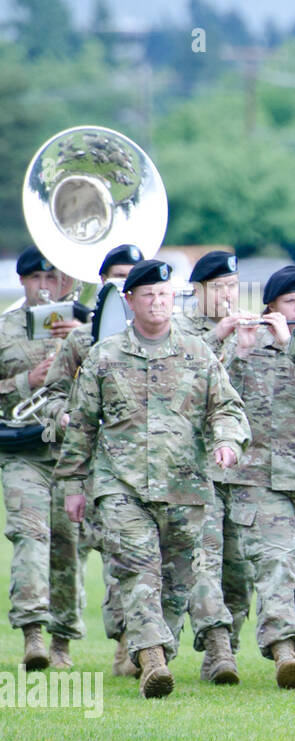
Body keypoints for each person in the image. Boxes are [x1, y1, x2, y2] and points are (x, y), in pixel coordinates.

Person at [55, 259, 249, 698]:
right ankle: (153, 662)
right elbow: (82, 424)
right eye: (148, 296)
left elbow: (228, 409)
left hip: (185, 487)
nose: (158, 303)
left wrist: (227, 443)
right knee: (138, 573)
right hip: (121, 487)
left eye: (164, 295)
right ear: (130, 302)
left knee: (177, 585)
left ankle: (157, 647)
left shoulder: (198, 353)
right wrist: (73, 485)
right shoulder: (104, 357)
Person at [218, 265, 295, 689]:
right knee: (275, 564)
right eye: (291, 302)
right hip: (257, 479)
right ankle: (283, 651)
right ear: (272, 307)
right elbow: (214, 397)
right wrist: (240, 352)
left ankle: (294, 650)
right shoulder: (246, 345)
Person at [39, 243, 143, 676]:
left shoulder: (155, 343)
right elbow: (49, 394)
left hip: (128, 472)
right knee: (67, 556)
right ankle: (60, 642)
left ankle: (127, 645)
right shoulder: (81, 342)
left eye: (133, 277)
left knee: (127, 559)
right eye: (117, 275)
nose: (124, 284)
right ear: (103, 282)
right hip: (82, 467)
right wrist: (62, 413)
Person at [0, 246, 86, 671]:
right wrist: (24, 381)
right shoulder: (3, 330)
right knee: (29, 538)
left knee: (67, 548)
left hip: (71, 455)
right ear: (23, 282)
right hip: (24, 451)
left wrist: (82, 339)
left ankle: (62, 643)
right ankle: (32, 632)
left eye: (54, 278)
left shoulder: (84, 325)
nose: (46, 286)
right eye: (38, 278)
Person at [176, 251, 253, 683]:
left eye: (232, 286)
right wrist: (220, 341)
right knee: (203, 560)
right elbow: (181, 387)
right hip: (195, 466)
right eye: (219, 287)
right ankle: (218, 645)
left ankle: (225, 651)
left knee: (240, 568)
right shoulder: (178, 331)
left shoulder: (249, 329)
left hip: (241, 469)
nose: (228, 295)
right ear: (200, 290)